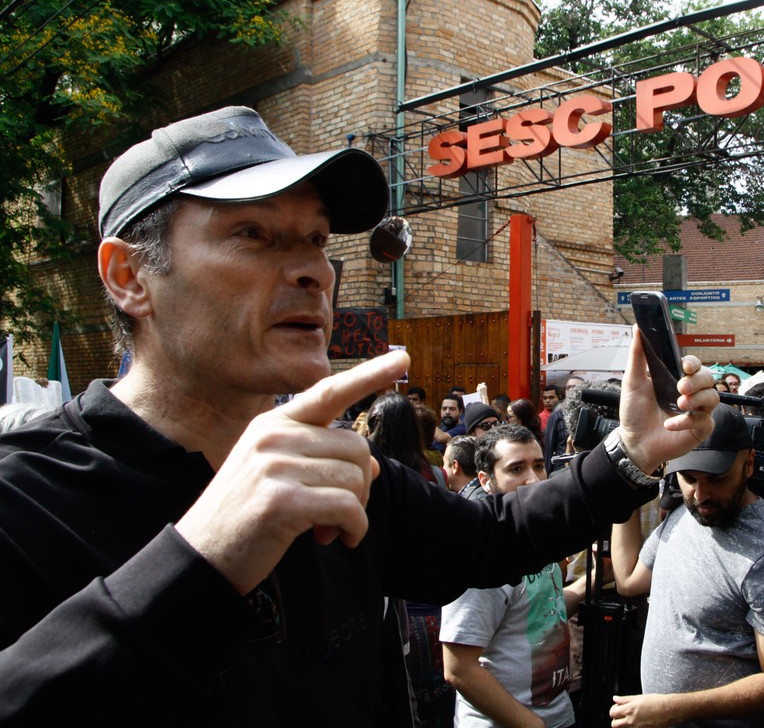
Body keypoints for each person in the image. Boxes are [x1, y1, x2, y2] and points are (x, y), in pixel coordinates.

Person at [0, 106, 720, 724]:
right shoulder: (26, 502)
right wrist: (202, 560)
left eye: (316, 239)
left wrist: (631, 452)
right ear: (130, 276)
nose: (315, 271)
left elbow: (491, 540)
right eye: (253, 235)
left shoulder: (340, 466)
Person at [610, 405, 764, 727]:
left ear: (749, 463)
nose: (701, 494)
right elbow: (629, 580)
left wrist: (673, 708)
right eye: (689, 478)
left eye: (716, 478)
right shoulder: (683, 515)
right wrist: (626, 490)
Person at [440, 424, 583, 728]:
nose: (533, 479)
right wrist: (532, 724)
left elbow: (541, 612)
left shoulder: (539, 537)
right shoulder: (481, 554)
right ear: (486, 480)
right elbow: (458, 668)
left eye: (539, 466)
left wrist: (588, 583)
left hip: (559, 713)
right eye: (516, 469)